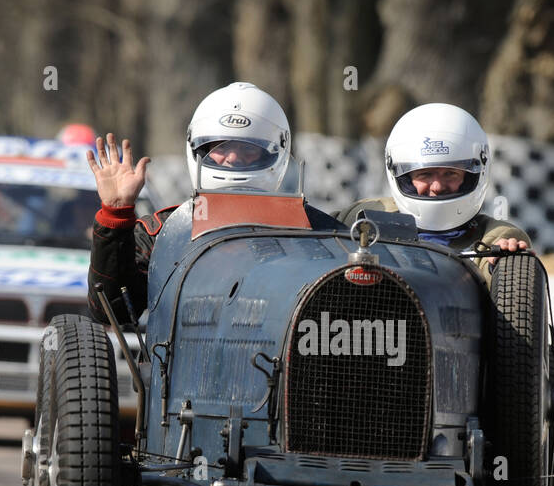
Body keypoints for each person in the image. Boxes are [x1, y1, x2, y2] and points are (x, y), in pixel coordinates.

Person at [86, 81, 336, 323]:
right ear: (198, 147)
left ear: (275, 151)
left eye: (248, 148)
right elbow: (112, 312)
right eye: (219, 146)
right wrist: (116, 214)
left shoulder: (318, 233)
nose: (232, 158)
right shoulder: (161, 232)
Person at [336, 103, 531, 278]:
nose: (437, 187)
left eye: (450, 174)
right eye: (425, 174)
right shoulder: (365, 214)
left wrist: (505, 263)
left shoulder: (497, 236)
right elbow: (312, 235)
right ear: (404, 178)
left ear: (471, 176)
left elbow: (508, 291)